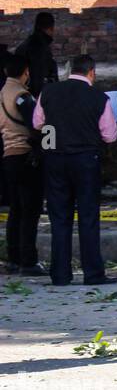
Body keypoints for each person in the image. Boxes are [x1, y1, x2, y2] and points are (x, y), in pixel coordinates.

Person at [32, 54, 117, 286]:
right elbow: (109, 135)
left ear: (69, 70)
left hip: (55, 160)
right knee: (88, 217)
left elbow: (37, 123)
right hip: (86, 161)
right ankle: (93, 274)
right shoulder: (99, 98)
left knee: (59, 217)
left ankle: (60, 274)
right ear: (92, 72)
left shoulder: (48, 92)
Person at [0, 53, 45, 276]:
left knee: (16, 210)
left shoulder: (1, 93)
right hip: (25, 156)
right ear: (25, 72)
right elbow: (35, 125)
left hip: (8, 155)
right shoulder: (21, 95)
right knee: (30, 210)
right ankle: (29, 261)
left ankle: (13, 258)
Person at [15, 12, 58, 98]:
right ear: (51, 28)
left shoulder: (26, 44)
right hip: (36, 96)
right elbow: (38, 75)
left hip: (22, 92)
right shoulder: (40, 47)